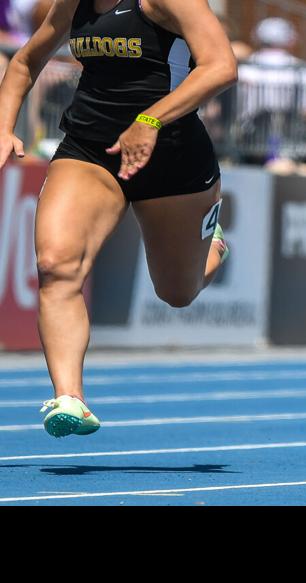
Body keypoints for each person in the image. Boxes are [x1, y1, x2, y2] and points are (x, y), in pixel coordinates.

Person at [0, 0, 235, 438]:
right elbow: (26, 60)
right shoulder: (73, 3)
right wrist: (3, 125)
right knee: (56, 265)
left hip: (173, 158)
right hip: (90, 150)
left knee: (177, 293)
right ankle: (69, 396)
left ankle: (213, 244)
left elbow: (221, 66)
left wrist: (150, 120)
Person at [232, 17, 306, 167]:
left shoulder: (244, 69)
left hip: (249, 144)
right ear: (291, 40)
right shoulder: (304, 70)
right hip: (293, 144)